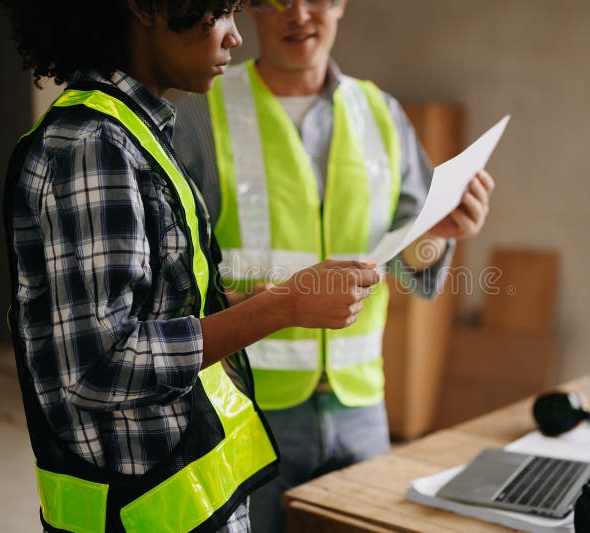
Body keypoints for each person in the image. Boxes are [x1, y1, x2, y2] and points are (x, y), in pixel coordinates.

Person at [0, 1, 379, 531]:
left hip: (177, 494)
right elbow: (100, 366)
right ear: (151, 7)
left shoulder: (133, 131)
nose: (235, 38)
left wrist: (252, 301)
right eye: (220, 12)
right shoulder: (93, 146)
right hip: (135, 510)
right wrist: (281, 307)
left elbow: (153, 307)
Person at [173, 0, 495, 530]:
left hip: (361, 407)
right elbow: (177, 277)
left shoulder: (381, 114)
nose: (298, 15)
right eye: (277, 0)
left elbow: (415, 265)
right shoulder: (202, 116)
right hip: (246, 403)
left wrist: (441, 234)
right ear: (250, 8)